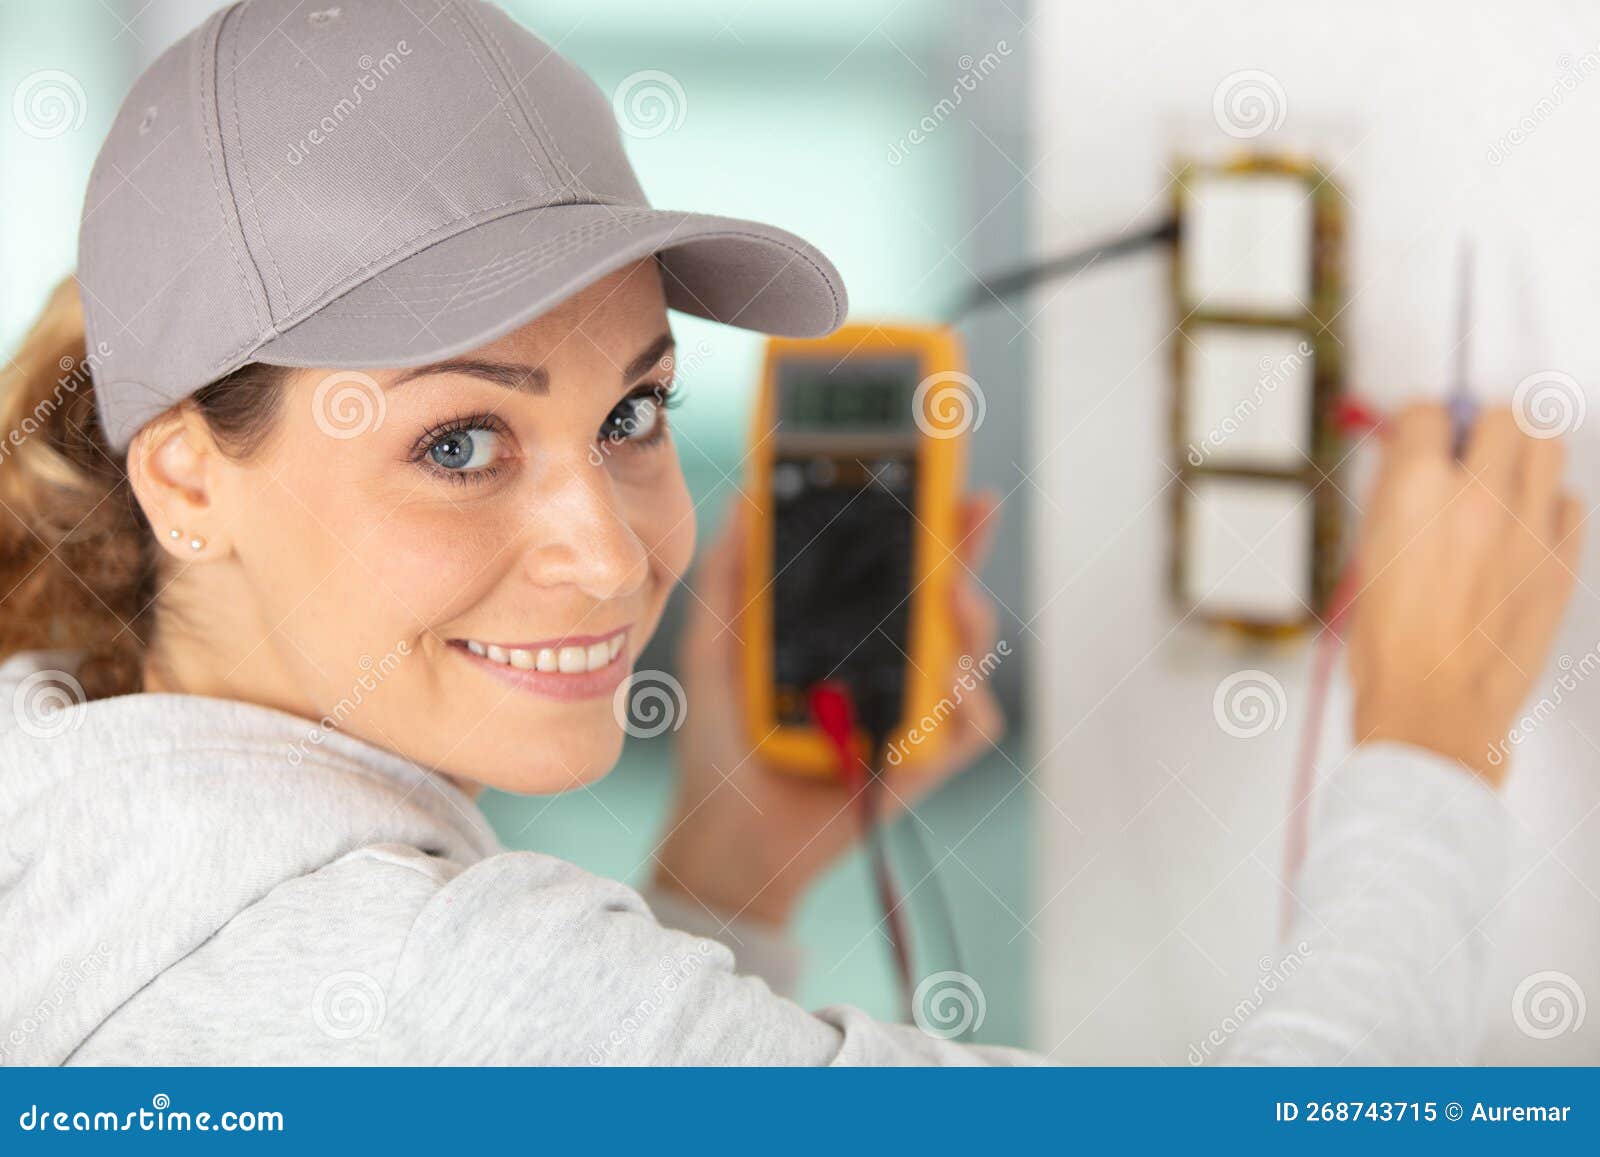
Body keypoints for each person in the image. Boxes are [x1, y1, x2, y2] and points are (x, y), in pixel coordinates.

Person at [0, 0, 1581, 1065]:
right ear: (186, 476)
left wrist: (725, 879)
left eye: (629, 414)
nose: (614, 557)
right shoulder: (449, 980)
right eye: (461, 441)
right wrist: (1429, 742)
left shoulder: (64, 830)